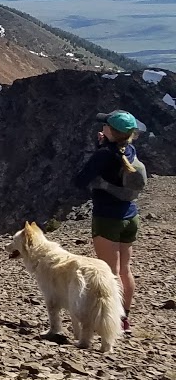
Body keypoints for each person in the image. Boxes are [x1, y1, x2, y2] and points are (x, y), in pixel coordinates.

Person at [72, 109, 145, 332]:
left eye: (106, 125)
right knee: (125, 270)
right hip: (130, 216)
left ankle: (111, 321)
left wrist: (100, 150)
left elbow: (80, 180)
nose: (102, 127)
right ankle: (124, 319)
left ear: (110, 131)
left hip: (107, 217)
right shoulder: (129, 149)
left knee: (110, 272)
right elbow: (117, 162)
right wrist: (105, 145)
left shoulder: (104, 154)